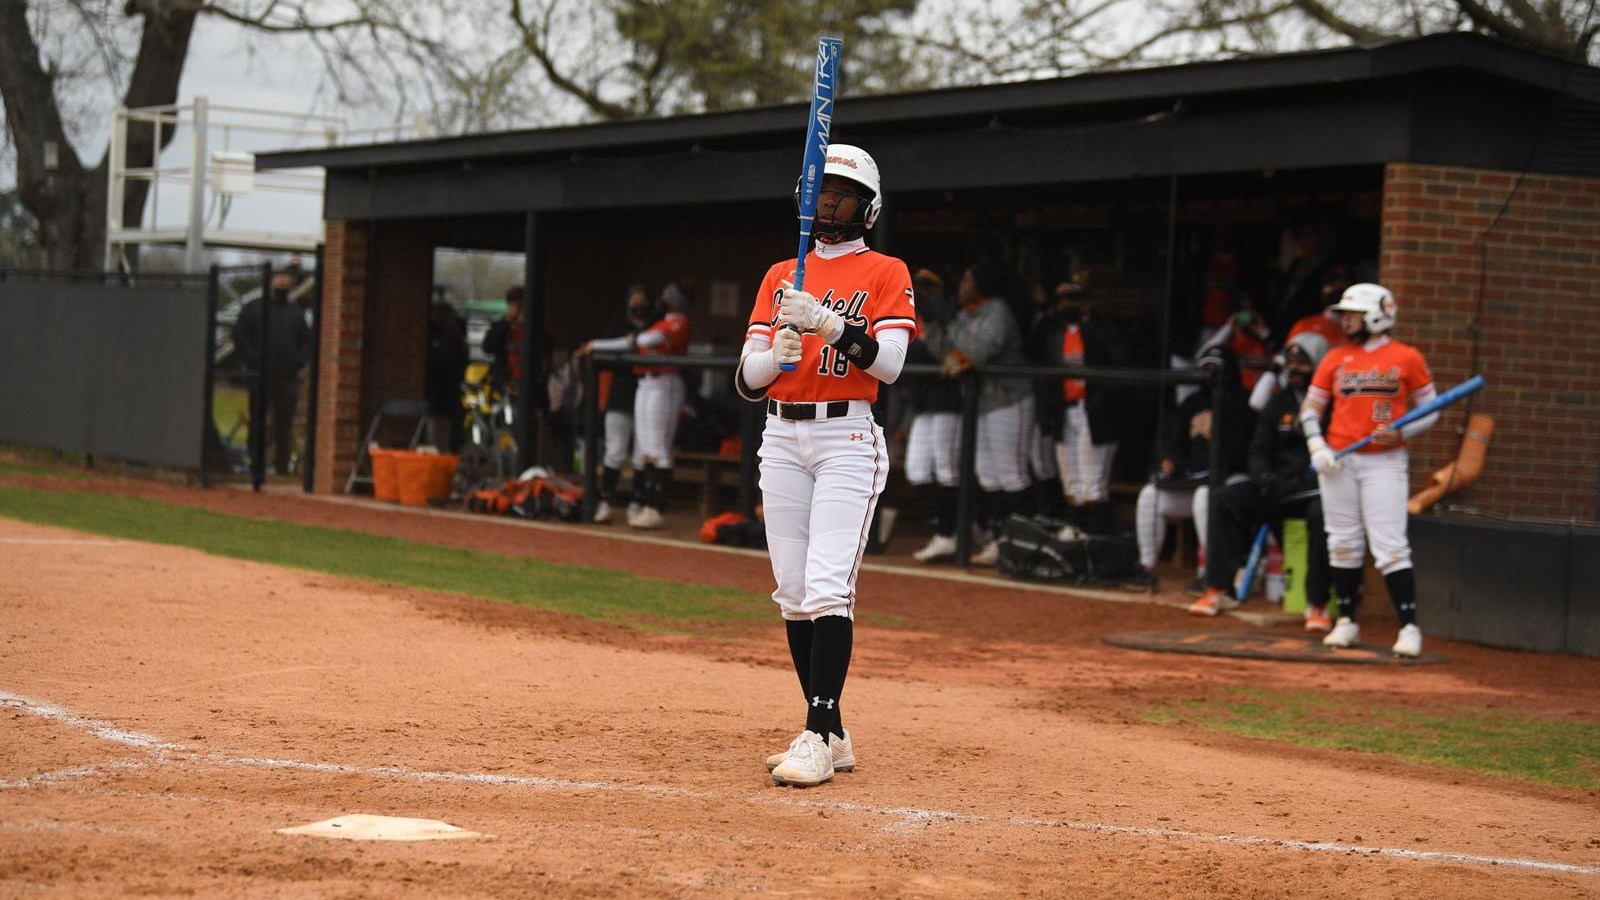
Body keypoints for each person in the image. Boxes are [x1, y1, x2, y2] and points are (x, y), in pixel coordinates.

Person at [733, 143, 917, 787]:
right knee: (791, 593)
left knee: (826, 586)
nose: (827, 201)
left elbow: (889, 365)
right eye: (821, 190)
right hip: (781, 436)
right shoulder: (783, 270)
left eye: (841, 192)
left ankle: (816, 731)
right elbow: (748, 380)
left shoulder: (887, 271)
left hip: (847, 439)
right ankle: (832, 733)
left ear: (866, 207)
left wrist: (829, 325)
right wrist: (776, 354)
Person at [1300, 283, 1438, 657]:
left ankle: (1409, 629)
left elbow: (1432, 408)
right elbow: (1310, 410)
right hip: (1340, 460)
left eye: (1353, 314)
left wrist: (1401, 432)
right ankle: (1346, 621)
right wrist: (1317, 445)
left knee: (1390, 545)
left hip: (1385, 461)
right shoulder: (1334, 357)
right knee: (1342, 542)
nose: (1346, 320)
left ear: (1377, 315)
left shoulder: (1406, 356)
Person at [1189, 333, 1332, 623]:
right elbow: (1259, 447)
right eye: (1291, 364)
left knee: (1324, 515)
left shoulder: (1333, 406)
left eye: (1303, 365)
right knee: (1222, 500)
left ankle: (1317, 603)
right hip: (1275, 489)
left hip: (1311, 493)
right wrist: (1264, 476)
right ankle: (1217, 588)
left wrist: (1304, 482)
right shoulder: (1279, 402)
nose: (1295, 371)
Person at [919, 258, 1034, 566]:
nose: (962, 286)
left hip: (1011, 399)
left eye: (968, 281)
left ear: (982, 284)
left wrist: (948, 323)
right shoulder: (964, 316)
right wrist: (933, 323)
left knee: (1011, 474)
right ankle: (1000, 541)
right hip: (983, 403)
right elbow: (946, 353)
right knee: (987, 474)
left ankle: (1021, 544)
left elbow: (977, 352)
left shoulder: (998, 311)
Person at [1128, 344, 1255, 592]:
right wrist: (1171, 461)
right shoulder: (1192, 403)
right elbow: (1171, 442)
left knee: (1205, 498)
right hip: (1194, 478)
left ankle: (1213, 574)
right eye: (1205, 369)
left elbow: (1238, 454)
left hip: (1232, 480)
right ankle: (1146, 569)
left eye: (1215, 369)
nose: (1210, 375)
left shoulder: (1242, 403)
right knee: (1149, 496)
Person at [1055, 280, 1132, 534]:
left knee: (1093, 483)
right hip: (1066, 410)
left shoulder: (1104, 330)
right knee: (1072, 481)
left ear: (1086, 301)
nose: (1068, 305)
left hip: (1096, 413)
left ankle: (1095, 539)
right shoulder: (1055, 331)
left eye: (1074, 298)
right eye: (1064, 299)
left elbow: (1119, 366)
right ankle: (1075, 532)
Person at [902, 269, 967, 564]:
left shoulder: (947, 315)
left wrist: (934, 304)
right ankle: (945, 532)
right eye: (919, 288)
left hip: (948, 400)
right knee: (916, 469)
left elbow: (943, 352)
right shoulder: (910, 314)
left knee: (946, 469)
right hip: (923, 402)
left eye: (928, 288)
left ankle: (955, 534)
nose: (922, 294)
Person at [578, 285, 658, 524]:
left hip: (648, 390)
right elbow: (613, 348)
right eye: (635, 300)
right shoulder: (618, 324)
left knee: (641, 454)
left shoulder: (655, 323)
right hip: (620, 394)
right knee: (615, 450)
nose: (638, 305)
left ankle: (637, 503)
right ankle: (605, 502)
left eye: (642, 300)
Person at [231, 267, 313, 475]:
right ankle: (255, 465)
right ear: (270, 281)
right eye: (279, 278)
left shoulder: (296, 312)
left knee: (285, 424)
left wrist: (298, 361)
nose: (282, 283)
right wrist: (251, 359)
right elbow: (239, 334)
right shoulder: (254, 309)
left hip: (287, 378)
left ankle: (282, 467)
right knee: (258, 421)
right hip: (260, 377)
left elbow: (307, 341)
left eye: (286, 279)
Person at [424, 301, 469, 451]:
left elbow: (442, 365)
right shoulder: (455, 338)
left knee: (438, 435)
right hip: (449, 394)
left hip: (442, 395)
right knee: (443, 433)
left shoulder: (447, 340)